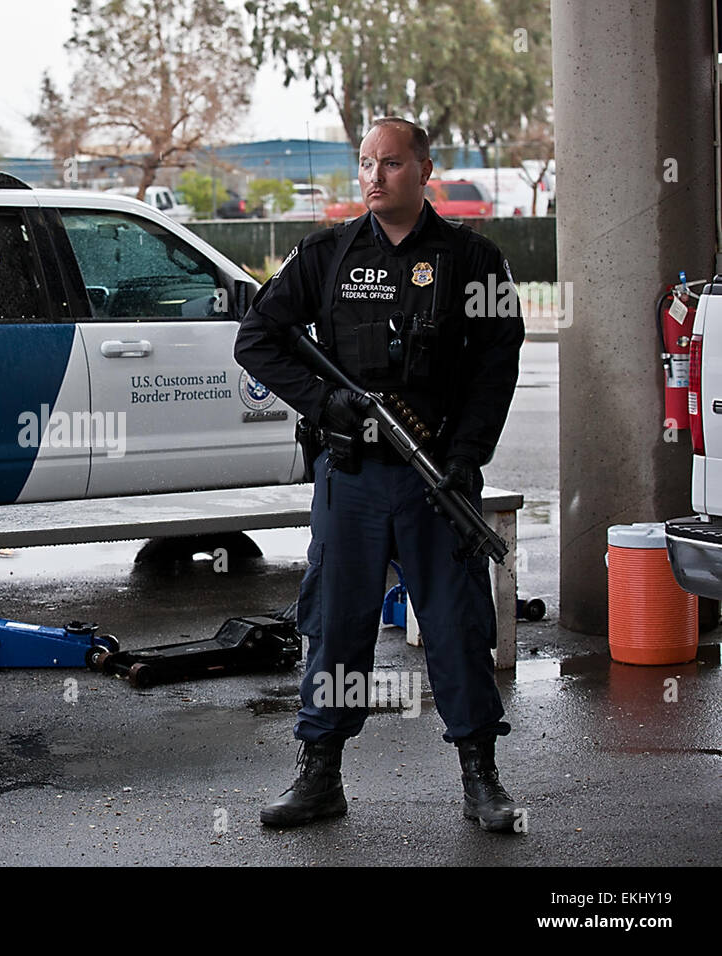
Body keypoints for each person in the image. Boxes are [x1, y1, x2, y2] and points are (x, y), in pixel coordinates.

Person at [233, 117, 526, 833]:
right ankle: (320, 775)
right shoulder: (327, 254)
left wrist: (467, 456)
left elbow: (497, 363)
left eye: (390, 164)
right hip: (352, 477)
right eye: (365, 163)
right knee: (336, 628)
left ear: (425, 169)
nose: (372, 177)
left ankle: (481, 776)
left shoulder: (471, 260)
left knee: (456, 625)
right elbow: (258, 339)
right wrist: (322, 400)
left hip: (436, 481)